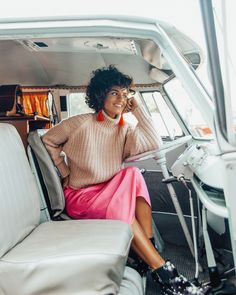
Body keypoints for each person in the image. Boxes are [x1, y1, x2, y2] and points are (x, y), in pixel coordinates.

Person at [42, 65, 207, 295]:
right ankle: (166, 275)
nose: (121, 99)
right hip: (81, 196)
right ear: (101, 95)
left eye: (125, 93)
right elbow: (47, 141)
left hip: (109, 191)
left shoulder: (125, 129)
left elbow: (154, 143)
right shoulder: (79, 123)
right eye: (114, 93)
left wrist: (137, 108)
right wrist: (63, 171)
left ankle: (144, 253)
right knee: (124, 200)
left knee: (132, 174)